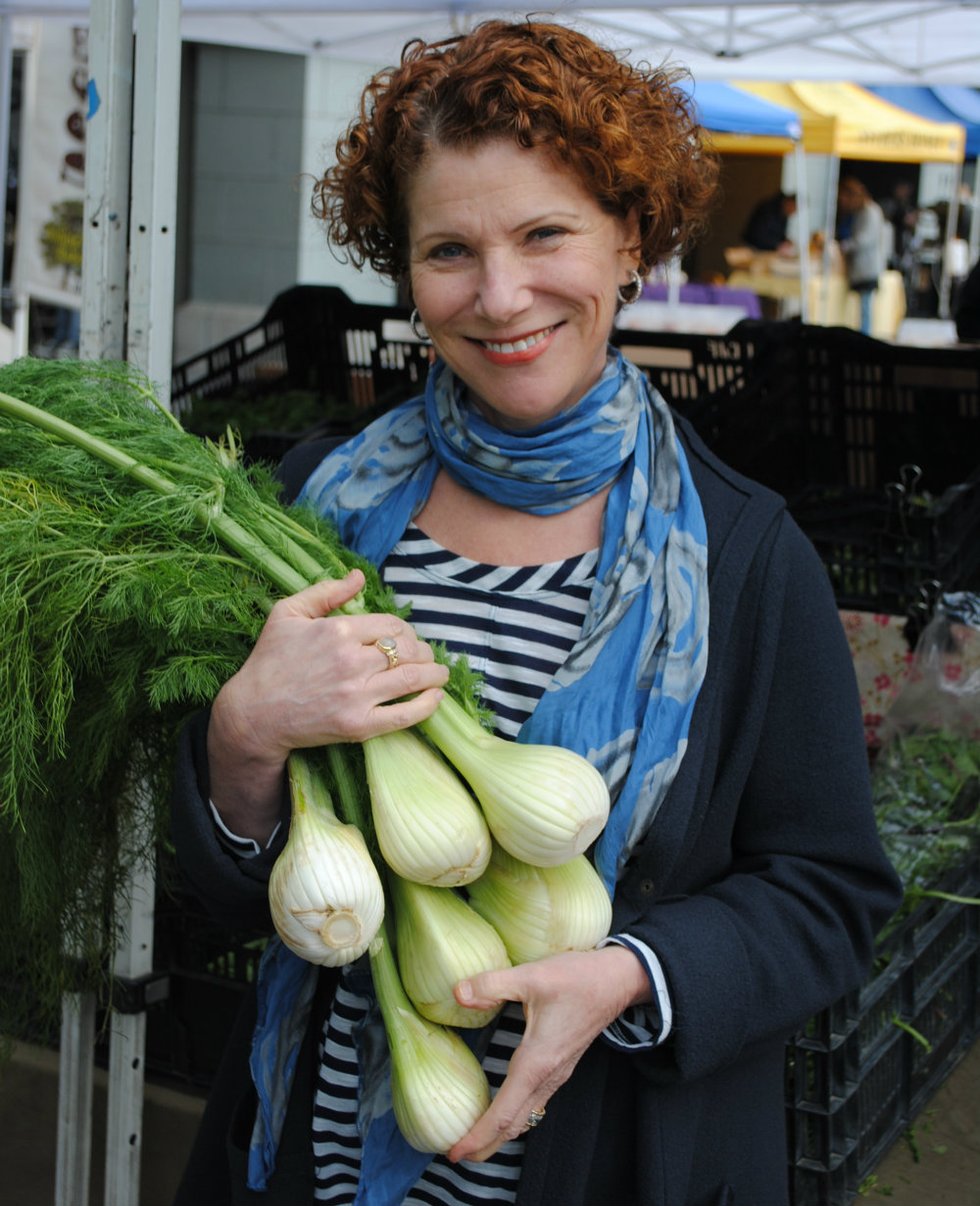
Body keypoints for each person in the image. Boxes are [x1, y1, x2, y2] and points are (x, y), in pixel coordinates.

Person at [171, 20, 902, 1206]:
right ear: (401, 267)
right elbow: (230, 894)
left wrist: (632, 973)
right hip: (317, 1159)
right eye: (448, 249)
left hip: (609, 1161)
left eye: (544, 233)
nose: (500, 295)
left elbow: (828, 895)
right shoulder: (314, 508)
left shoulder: (742, 558)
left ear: (629, 238)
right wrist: (241, 743)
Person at [837, 176, 888, 335]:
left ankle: (864, 336)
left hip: (867, 267)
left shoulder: (870, 211)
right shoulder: (863, 211)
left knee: (865, 307)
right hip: (861, 267)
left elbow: (865, 239)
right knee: (863, 306)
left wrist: (845, 246)